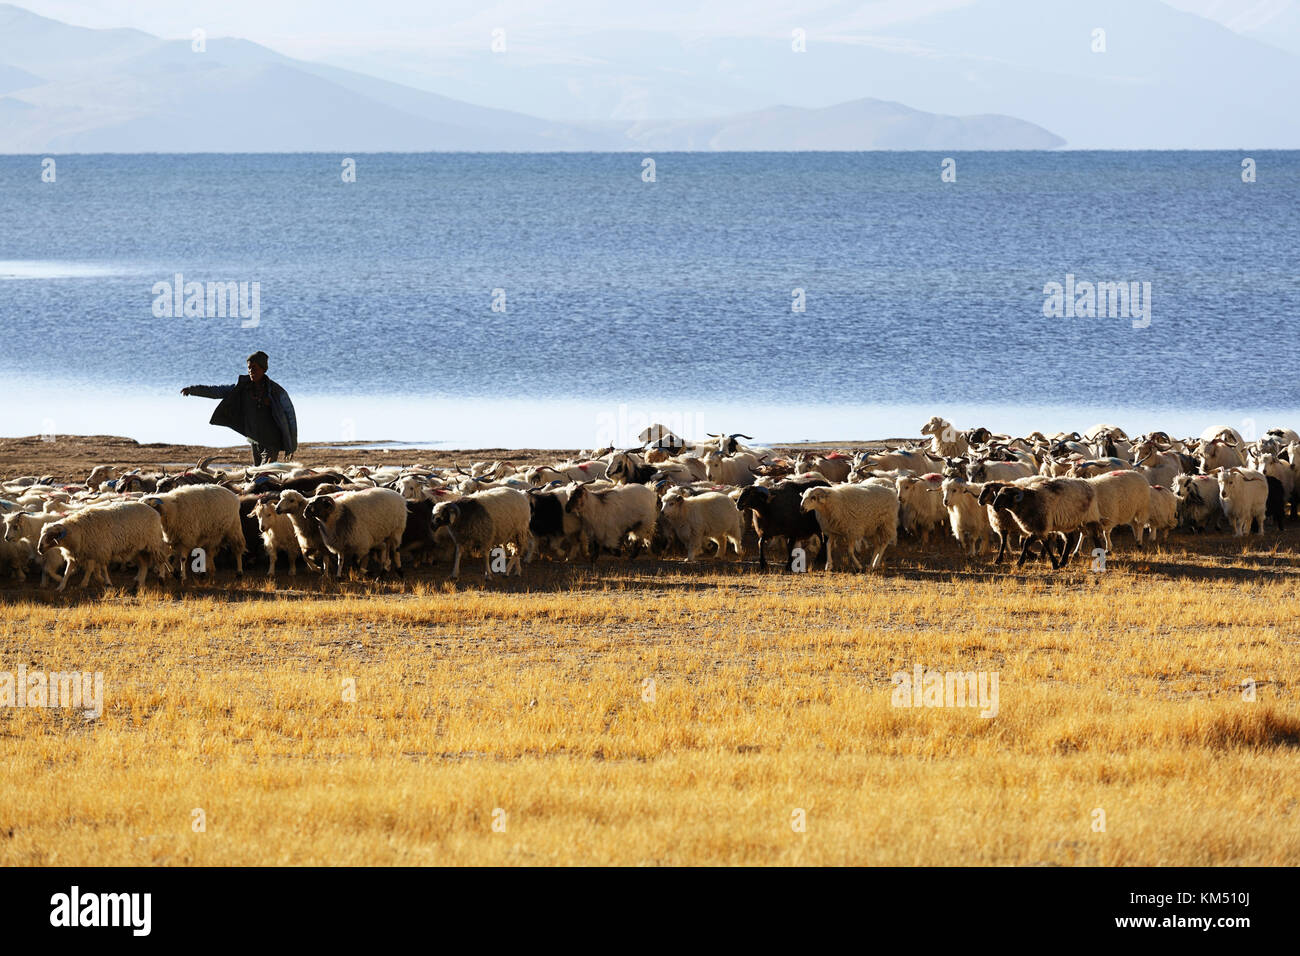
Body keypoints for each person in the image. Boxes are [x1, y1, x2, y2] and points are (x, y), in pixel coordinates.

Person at [182, 352, 298, 465]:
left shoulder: (277, 392)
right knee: (257, 475)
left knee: (263, 475)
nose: (251, 371)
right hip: (254, 441)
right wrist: (192, 390)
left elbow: (290, 417)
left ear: (263, 369)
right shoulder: (242, 387)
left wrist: (291, 447)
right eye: (249, 368)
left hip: (272, 442)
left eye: (254, 367)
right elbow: (216, 391)